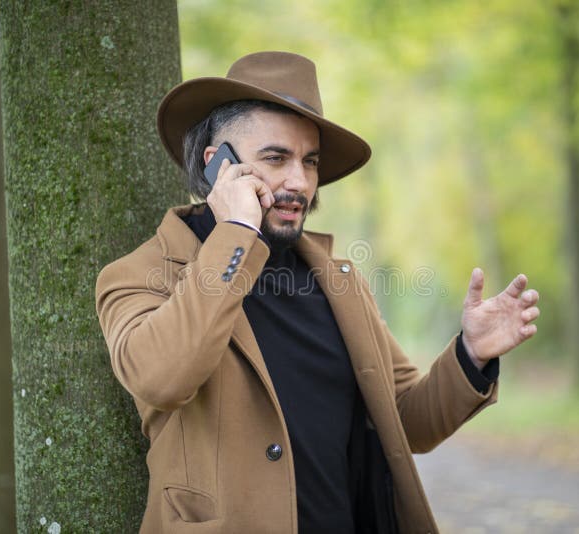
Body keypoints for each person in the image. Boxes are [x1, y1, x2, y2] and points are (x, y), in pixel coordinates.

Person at [95, 51, 540, 534]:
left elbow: (408, 421)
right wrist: (238, 233)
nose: (300, 182)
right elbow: (161, 378)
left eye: (310, 162)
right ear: (217, 165)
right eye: (275, 158)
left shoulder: (339, 282)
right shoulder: (139, 273)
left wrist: (470, 355)